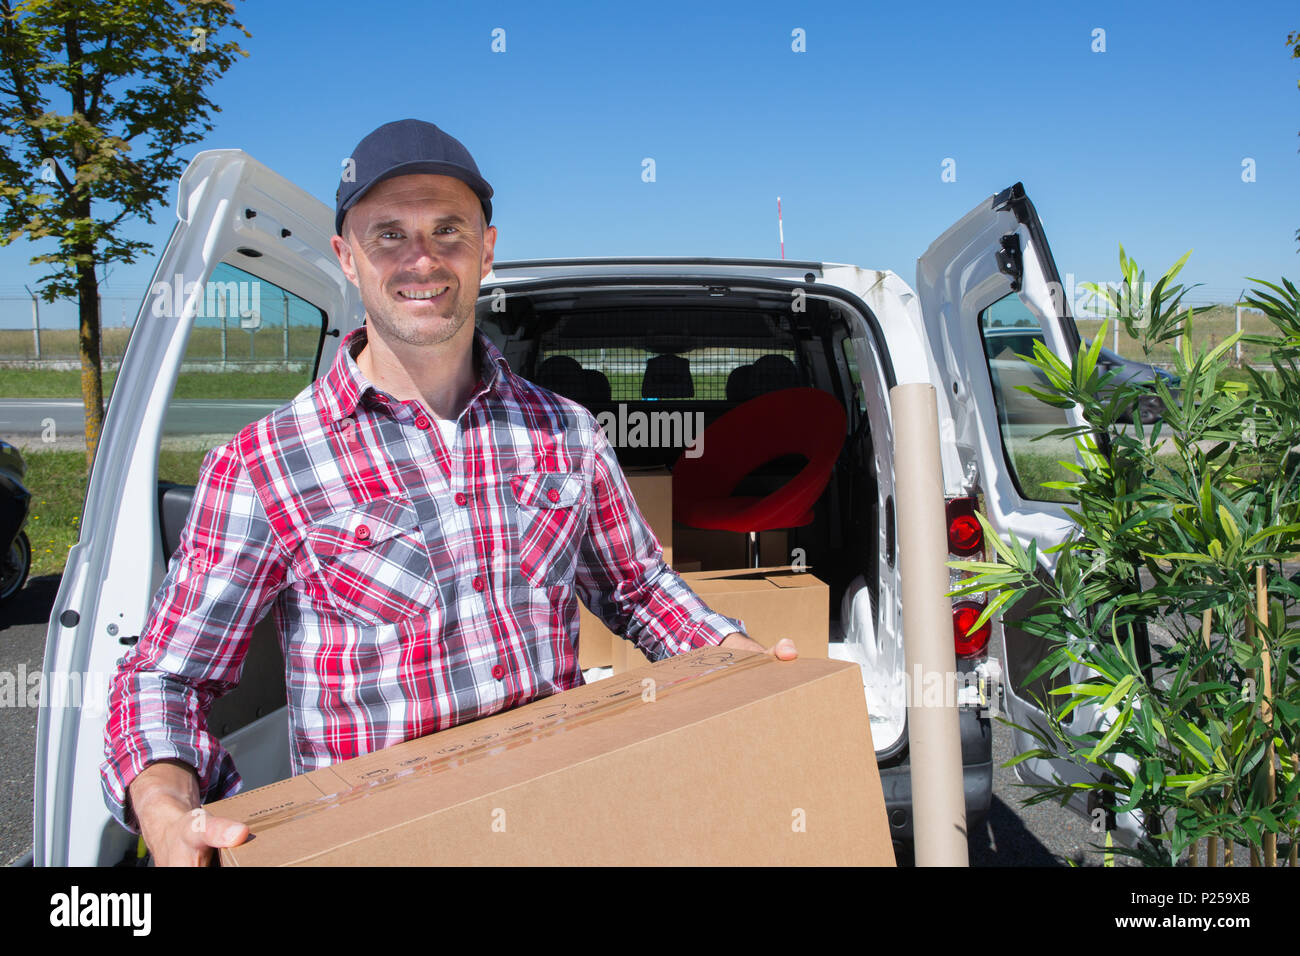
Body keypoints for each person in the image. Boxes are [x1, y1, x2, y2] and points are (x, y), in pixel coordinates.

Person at [102, 119, 797, 866]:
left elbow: (637, 587)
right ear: (345, 258)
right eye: (389, 235)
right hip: (371, 846)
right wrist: (169, 809)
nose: (422, 259)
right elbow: (165, 677)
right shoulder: (264, 463)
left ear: (487, 249)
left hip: (556, 821)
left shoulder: (564, 431)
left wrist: (734, 658)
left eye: (448, 230)